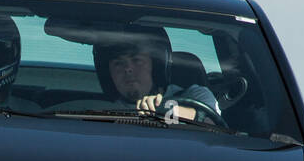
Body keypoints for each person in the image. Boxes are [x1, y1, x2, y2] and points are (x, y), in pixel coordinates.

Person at [93, 25, 221, 123]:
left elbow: (215, 126)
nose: (128, 69)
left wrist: (168, 110)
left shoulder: (196, 96)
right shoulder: (97, 113)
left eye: (137, 60)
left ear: (156, 66)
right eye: (118, 63)